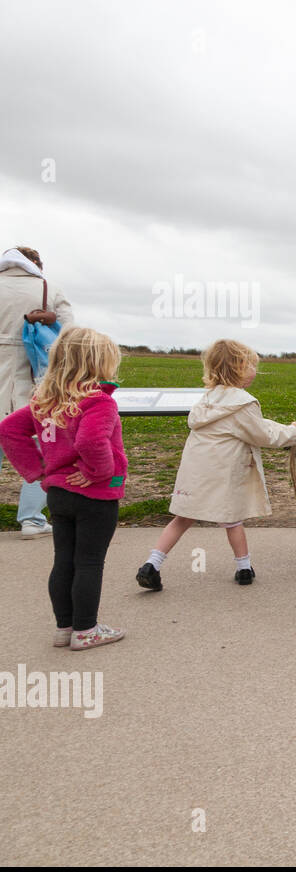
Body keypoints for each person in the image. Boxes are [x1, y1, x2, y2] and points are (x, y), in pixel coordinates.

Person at [135, 339, 296, 590]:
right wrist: (294, 432)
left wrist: (287, 428)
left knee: (182, 518)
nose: (254, 371)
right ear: (239, 368)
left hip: (197, 472)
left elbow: (255, 426)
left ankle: (151, 564)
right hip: (225, 474)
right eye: (251, 366)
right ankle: (244, 567)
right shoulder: (243, 402)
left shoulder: (207, 400)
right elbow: (263, 435)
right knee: (232, 519)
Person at [0, 327, 127, 649]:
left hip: (57, 493)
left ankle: (65, 627)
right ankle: (86, 630)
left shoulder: (47, 401)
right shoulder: (99, 402)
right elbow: (90, 439)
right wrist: (97, 471)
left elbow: (9, 429)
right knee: (89, 561)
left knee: (64, 559)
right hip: (95, 496)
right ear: (100, 364)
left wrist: (38, 470)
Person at [0, 246, 76, 538]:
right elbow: (71, 335)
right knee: (43, 443)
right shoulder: (49, 289)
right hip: (35, 377)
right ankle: (31, 518)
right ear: (35, 264)